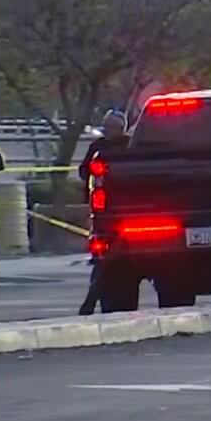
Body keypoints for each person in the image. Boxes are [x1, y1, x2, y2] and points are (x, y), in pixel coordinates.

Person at [77, 110, 129, 316]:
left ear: (121, 128)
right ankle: (93, 299)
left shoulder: (130, 146)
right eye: (105, 126)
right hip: (104, 214)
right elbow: (84, 171)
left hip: (124, 211)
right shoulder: (97, 148)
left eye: (111, 127)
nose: (107, 131)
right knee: (103, 260)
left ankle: (91, 300)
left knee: (106, 262)